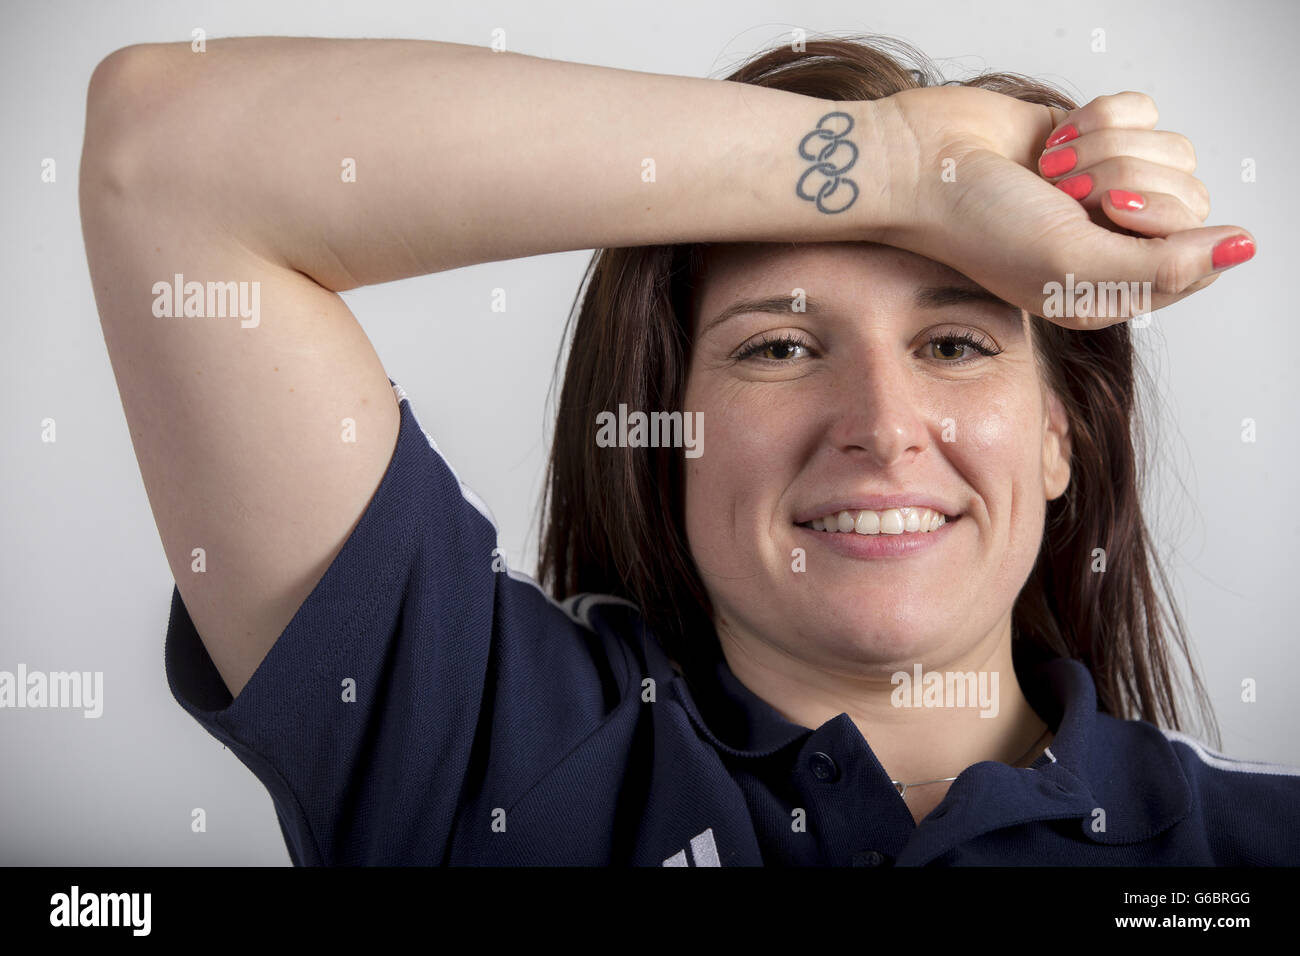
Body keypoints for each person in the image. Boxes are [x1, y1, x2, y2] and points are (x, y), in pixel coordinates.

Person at [79, 32, 1299, 865]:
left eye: (956, 345)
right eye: (775, 349)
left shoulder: (1251, 843)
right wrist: (900, 163)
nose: (878, 423)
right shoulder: (482, 747)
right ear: (662, 432)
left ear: (1058, 437)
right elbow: (170, 158)